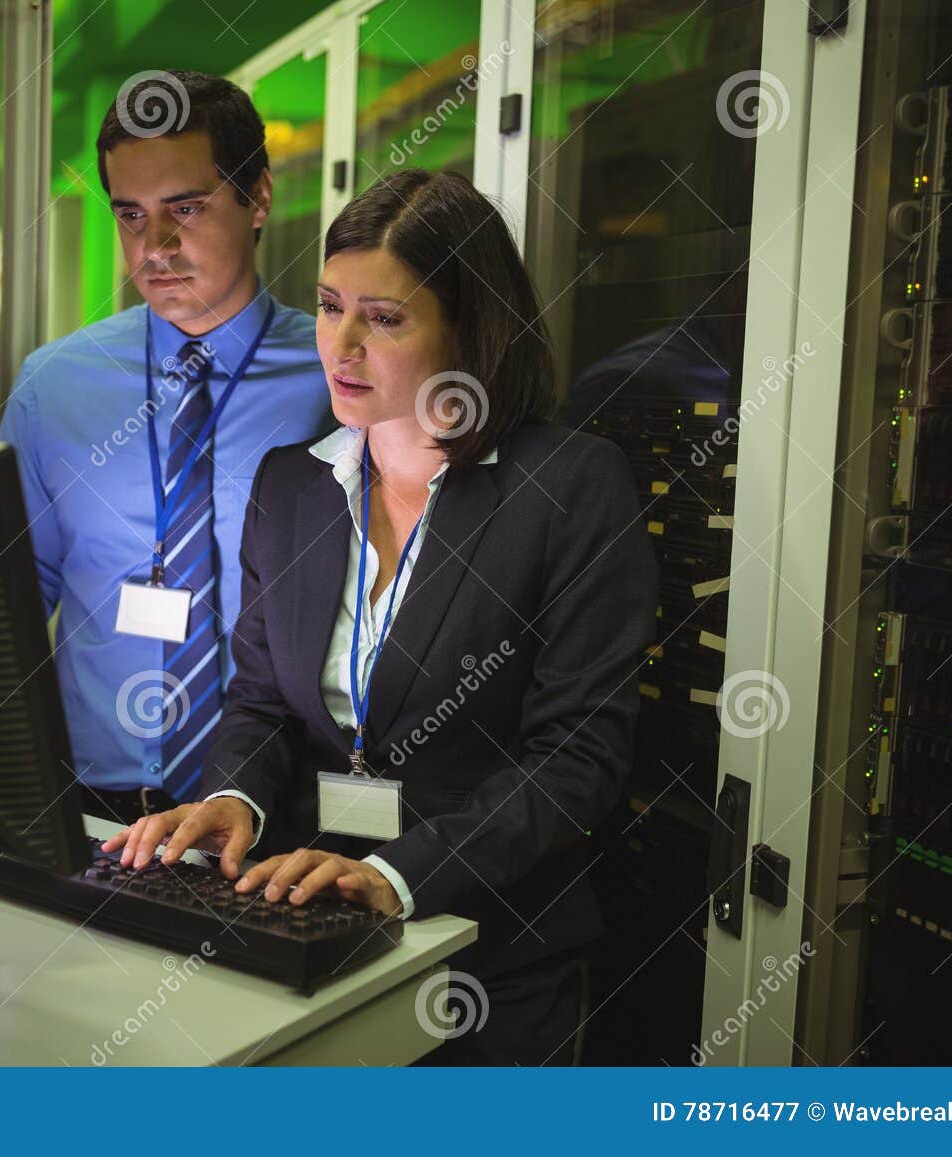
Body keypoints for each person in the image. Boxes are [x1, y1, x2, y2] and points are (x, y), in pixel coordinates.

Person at [103, 168, 660, 1065]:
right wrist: (233, 797)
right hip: (302, 923)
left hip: (489, 952)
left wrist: (398, 873)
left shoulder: (570, 487)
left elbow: (577, 759)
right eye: (330, 307)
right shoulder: (291, 485)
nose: (343, 345)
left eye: (385, 318)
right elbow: (261, 701)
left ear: (469, 329)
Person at [0, 71, 331, 825]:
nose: (155, 246)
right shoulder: (55, 386)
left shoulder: (335, 380)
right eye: (131, 215)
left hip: (272, 811)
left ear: (259, 198)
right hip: (91, 805)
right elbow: (6, 608)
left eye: (185, 208)